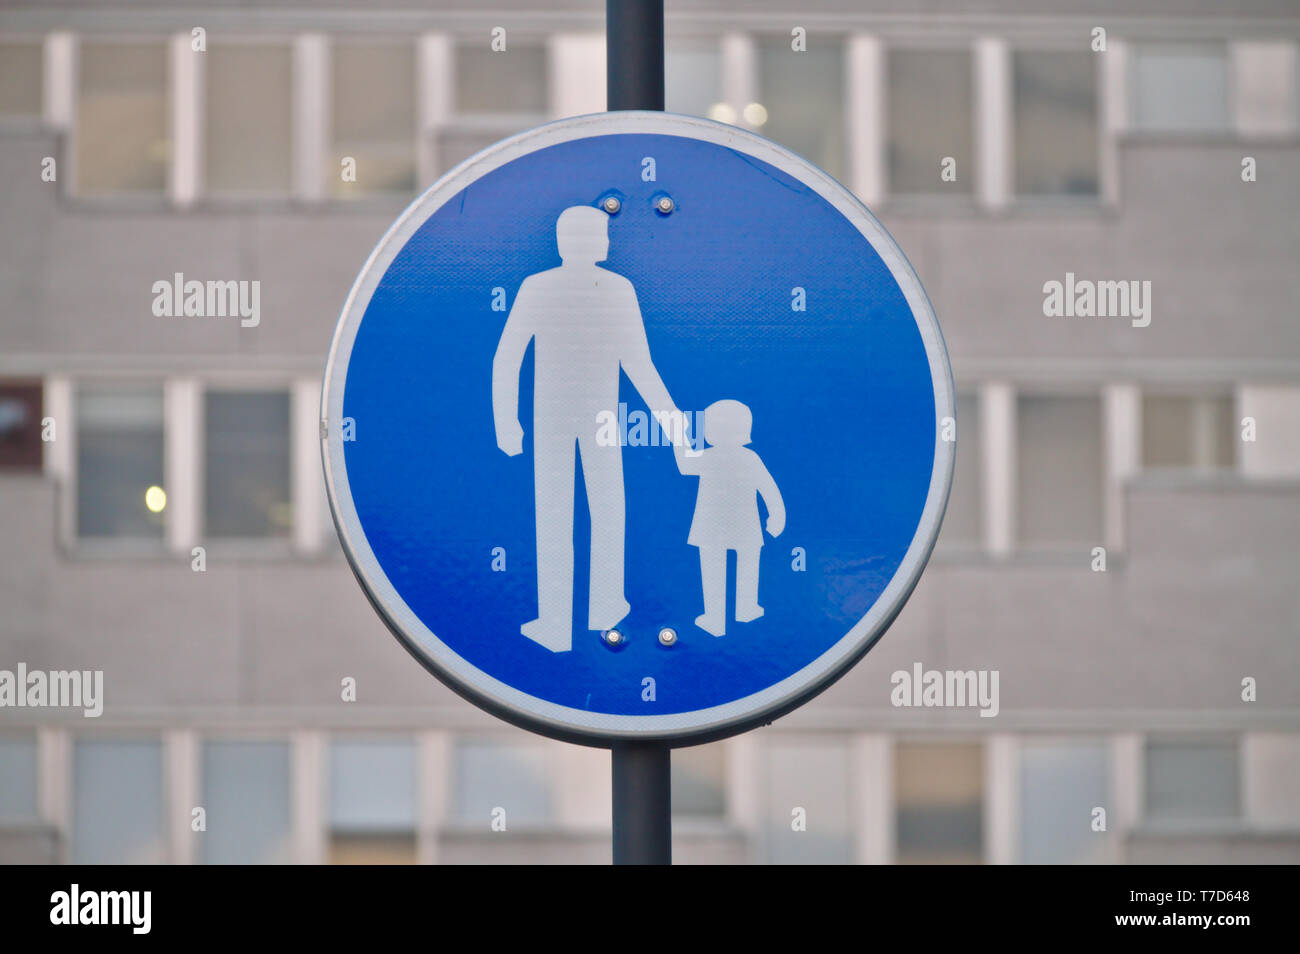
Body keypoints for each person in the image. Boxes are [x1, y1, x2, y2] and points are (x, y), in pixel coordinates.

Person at [493, 205, 678, 652]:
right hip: (594, 419)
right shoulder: (615, 288)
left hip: (561, 417)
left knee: (559, 513)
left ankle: (560, 621)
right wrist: (676, 430)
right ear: (591, 242)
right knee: (605, 507)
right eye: (601, 235)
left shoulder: (541, 286)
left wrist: (508, 423)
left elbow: (507, 358)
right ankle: (602, 609)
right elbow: (640, 366)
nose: (608, 242)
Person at [674, 399, 785, 637]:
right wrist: (776, 517)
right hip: (745, 527)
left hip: (712, 527)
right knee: (748, 566)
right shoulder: (750, 458)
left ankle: (714, 619)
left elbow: (684, 465)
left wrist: (679, 438)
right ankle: (746, 610)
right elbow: (769, 489)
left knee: (714, 569)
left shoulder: (708, 457)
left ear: (711, 431)